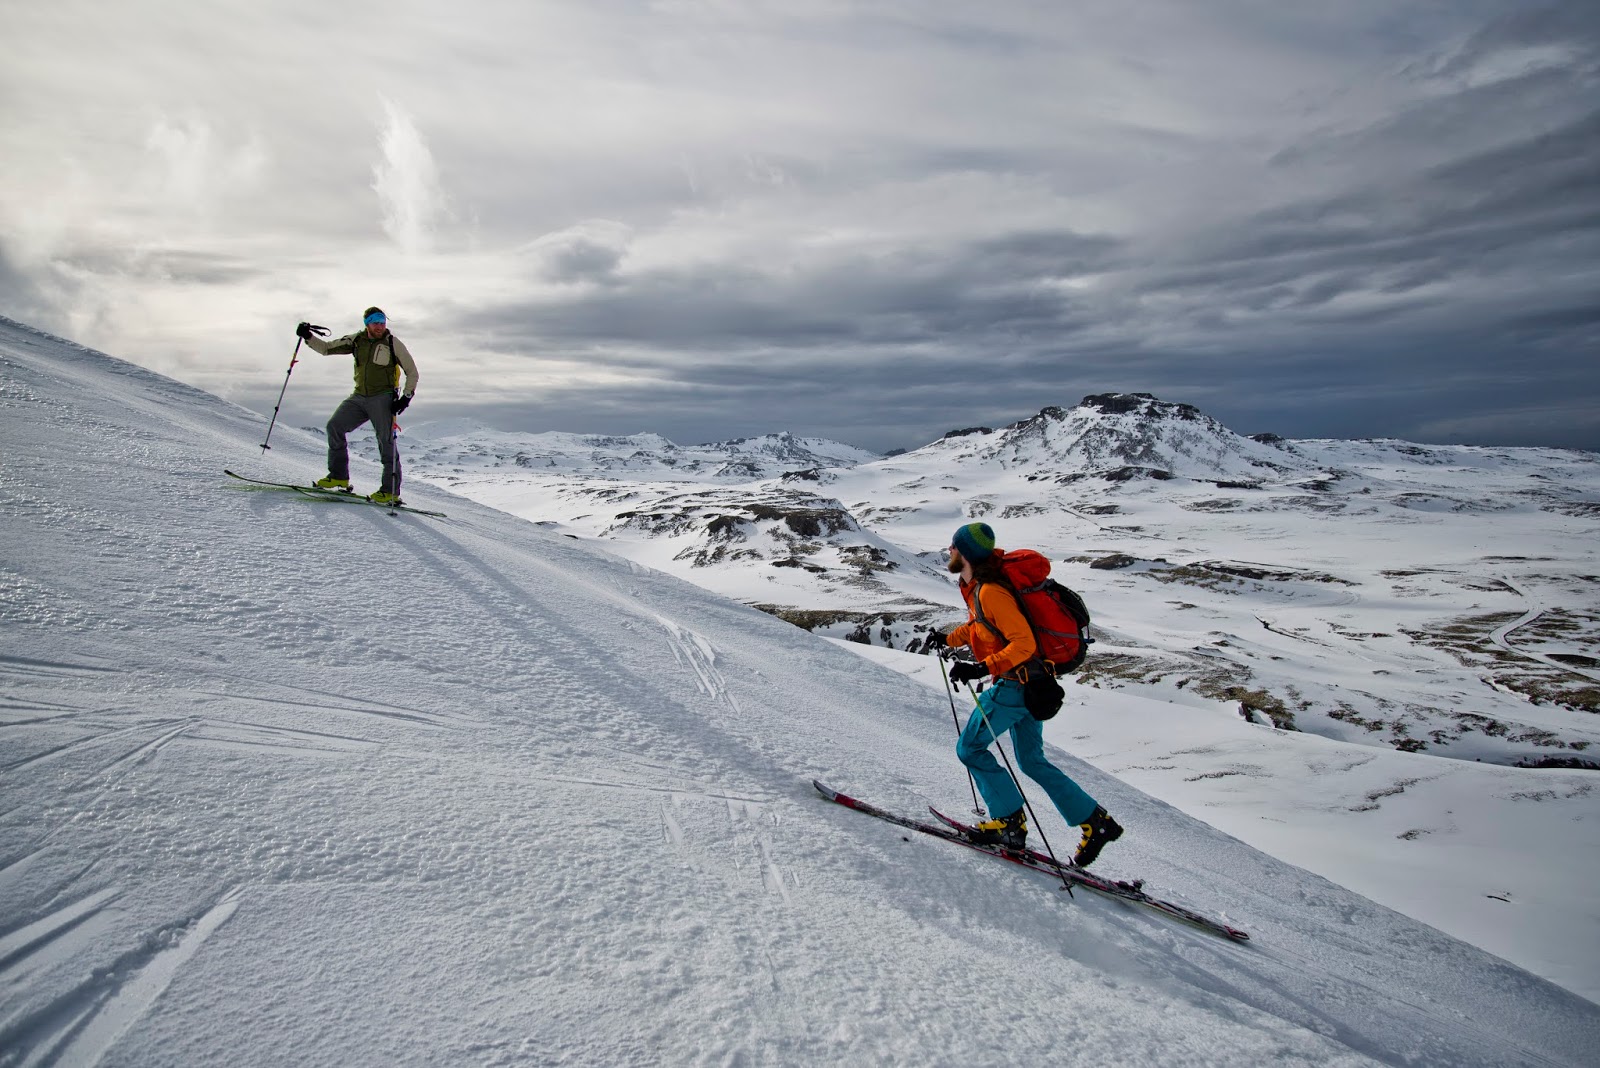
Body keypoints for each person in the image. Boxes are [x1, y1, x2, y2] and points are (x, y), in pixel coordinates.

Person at [925, 522, 1124, 867]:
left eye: (953, 547)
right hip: (1034, 684)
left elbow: (1023, 642)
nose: (949, 551)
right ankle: (1096, 822)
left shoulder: (990, 591)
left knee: (970, 747)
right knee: (1032, 761)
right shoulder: (983, 588)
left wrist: (980, 667)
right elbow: (981, 625)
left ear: (966, 555)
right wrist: (948, 639)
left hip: (1016, 687)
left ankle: (1008, 823)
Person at [297, 307, 418, 505]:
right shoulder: (356, 341)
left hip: (383, 398)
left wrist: (406, 396)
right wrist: (308, 336)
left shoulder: (392, 343)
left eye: (382, 322)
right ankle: (338, 477)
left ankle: (390, 492)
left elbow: (412, 372)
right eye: (375, 322)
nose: (380, 326)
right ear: (367, 324)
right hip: (359, 397)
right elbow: (326, 348)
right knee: (334, 426)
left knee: (386, 442)